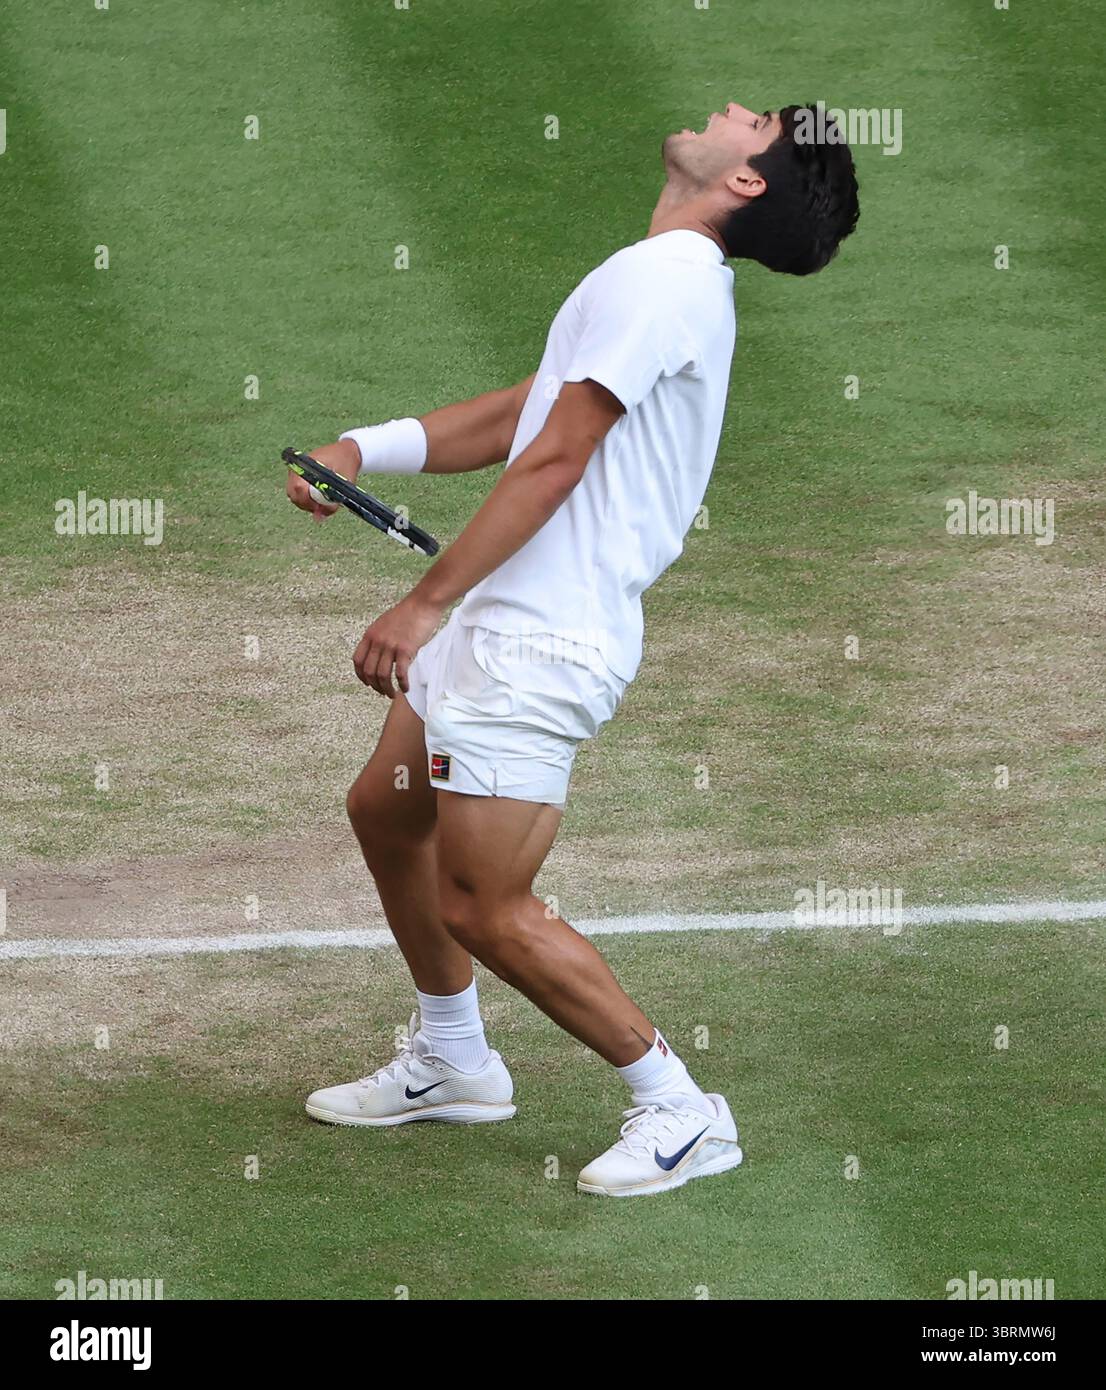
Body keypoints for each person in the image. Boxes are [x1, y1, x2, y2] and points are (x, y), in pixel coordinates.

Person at [287, 101, 859, 1196]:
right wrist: (365, 448)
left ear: (744, 181)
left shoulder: (669, 279)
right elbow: (524, 415)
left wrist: (419, 604)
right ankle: (454, 1059)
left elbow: (553, 461)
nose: (731, 109)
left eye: (758, 121)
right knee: (383, 808)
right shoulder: (652, 274)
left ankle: (678, 1108)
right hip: (503, 624)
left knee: (483, 903)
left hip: (539, 646)